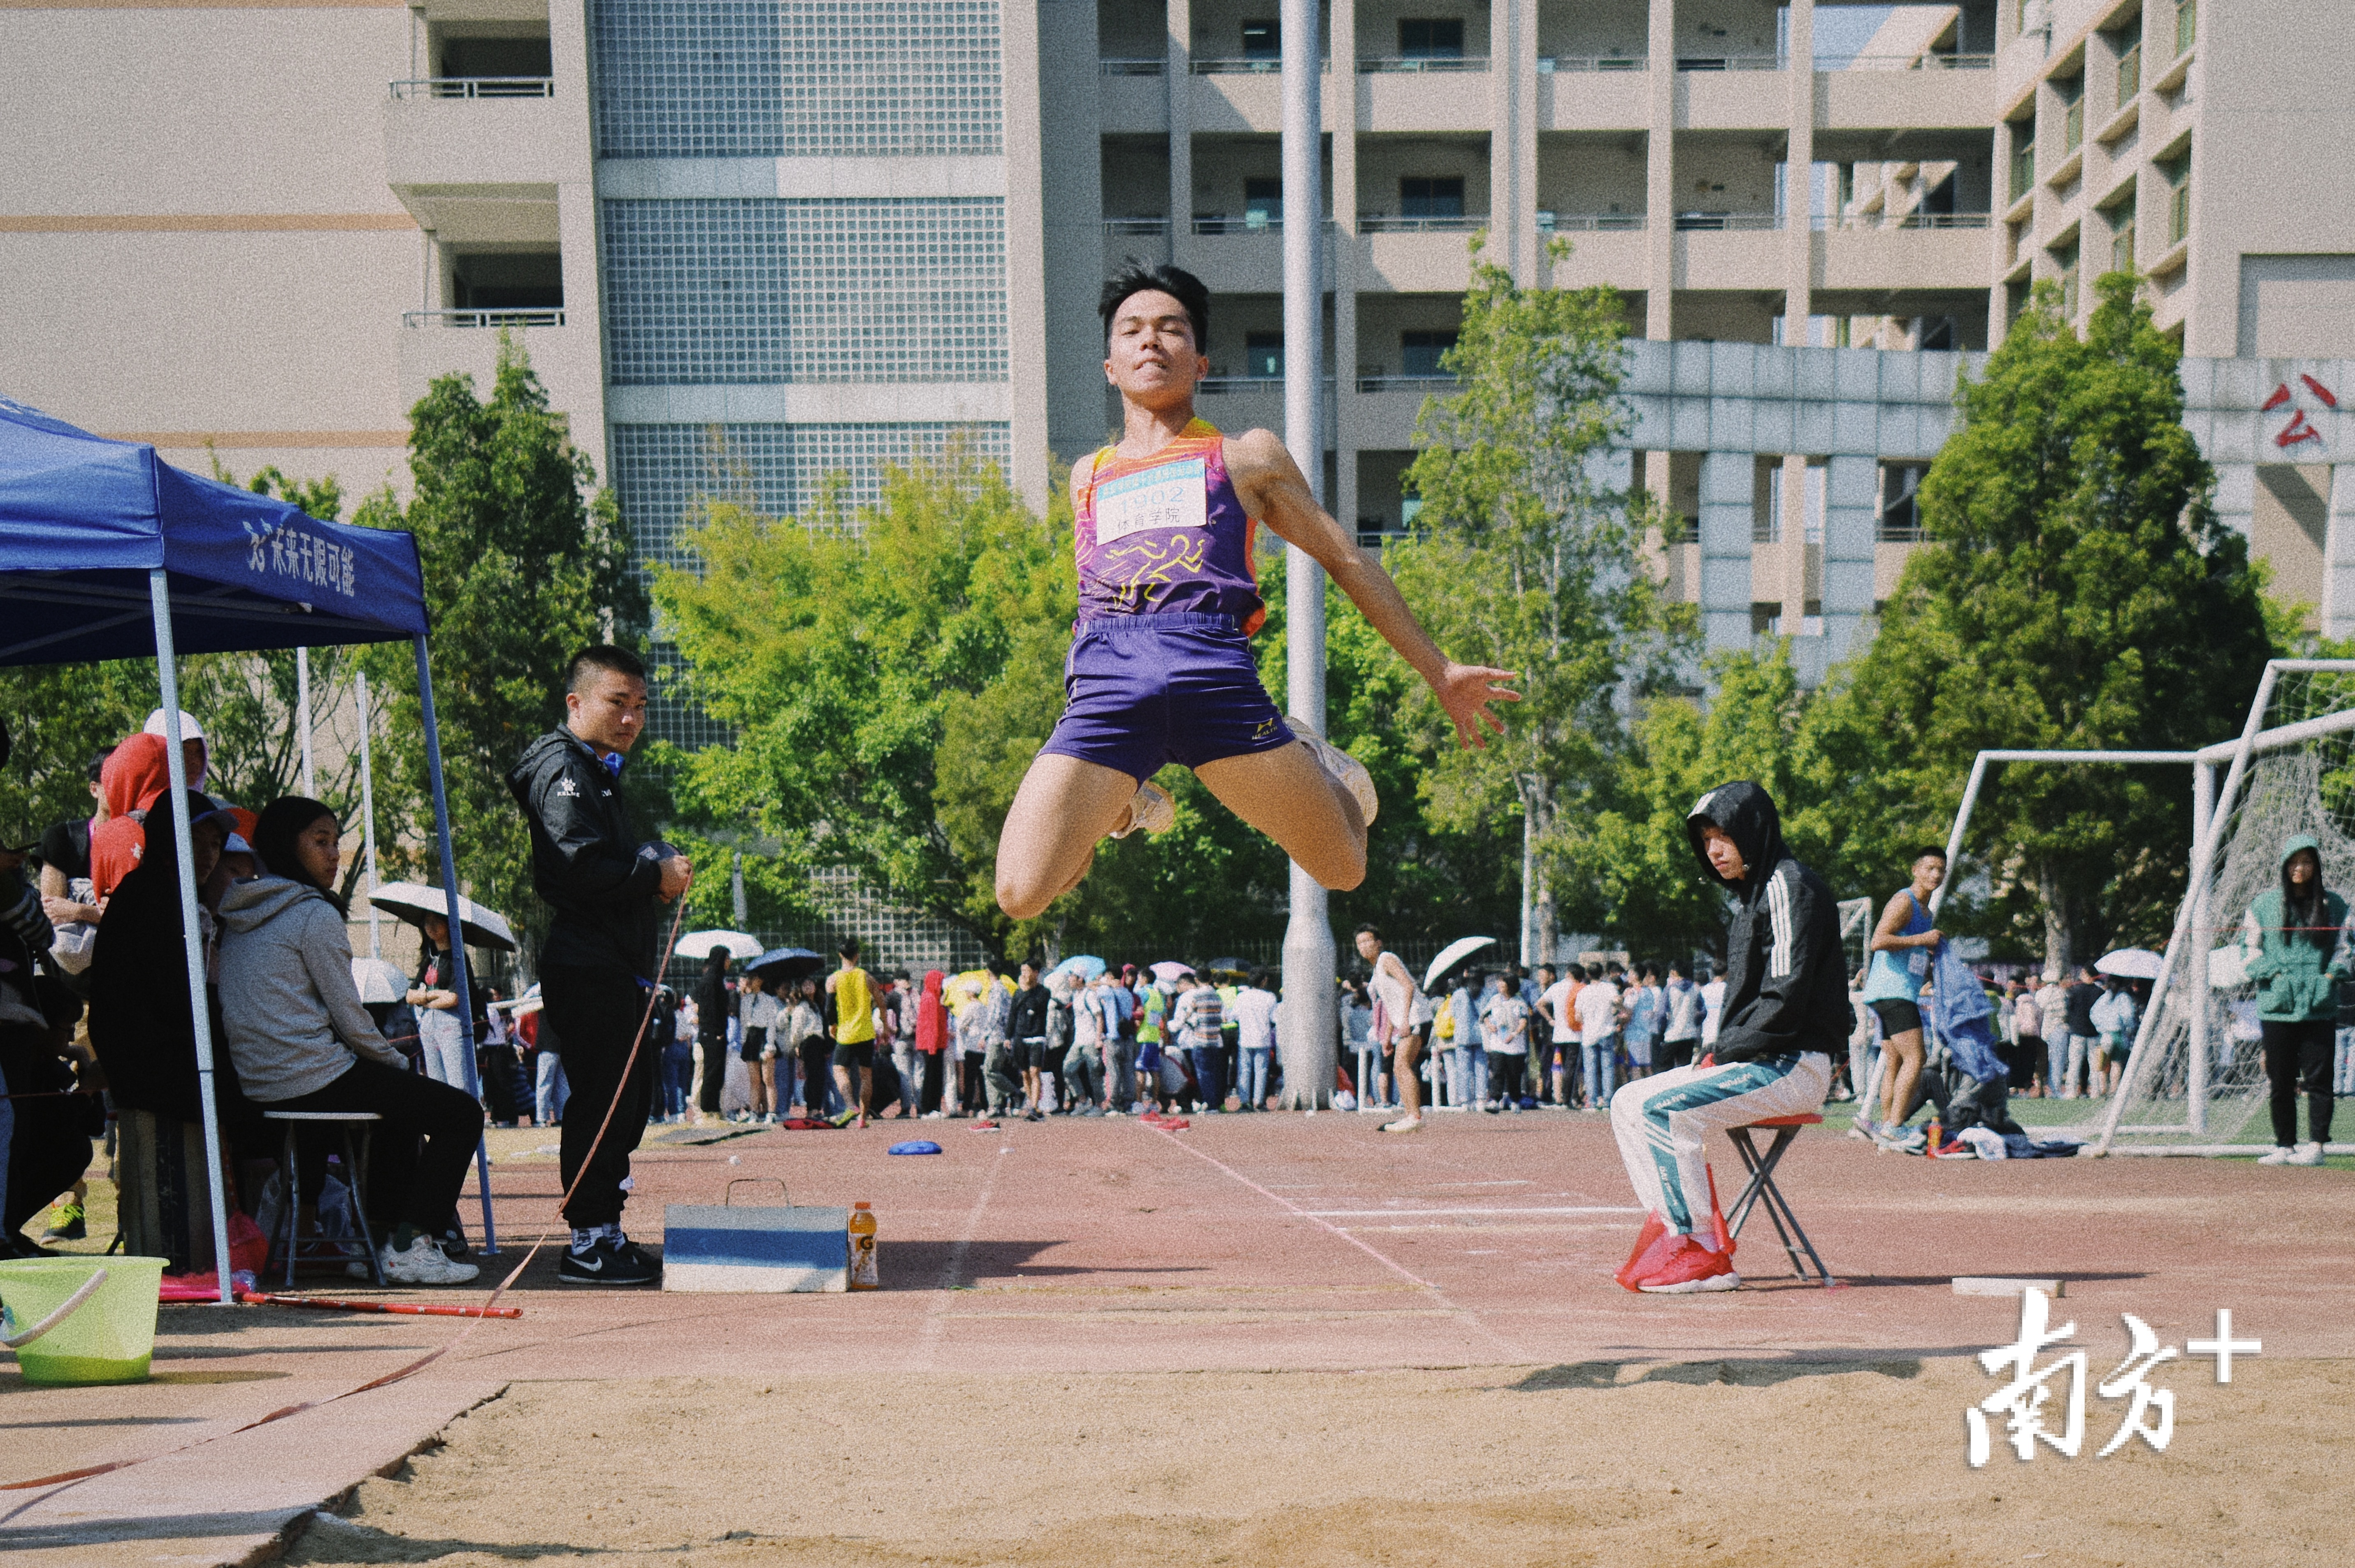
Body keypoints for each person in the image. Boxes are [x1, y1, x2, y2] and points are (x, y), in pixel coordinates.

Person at [992, 262, 1519, 924]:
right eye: (1132, 331)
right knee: (1022, 892)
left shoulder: (1245, 457)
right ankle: (1129, 803)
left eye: (1170, 329)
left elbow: (1348, 560)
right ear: (1110, 365)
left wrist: (1438, 669)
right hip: (1109, 688)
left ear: (1202, 362)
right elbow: (1091, 601)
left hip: (1213, 681)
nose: (1151, 341)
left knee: (1345, 867)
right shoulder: (1086, 477)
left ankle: (1310, 757)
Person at [217, 798, 482, 1285]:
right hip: (310, 1075)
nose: (335, 854)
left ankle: (380, 1246)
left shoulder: (236, 915)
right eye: (320, 841)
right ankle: (409, 1244)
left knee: (395, 1107)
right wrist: (397, 1065)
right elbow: (352, 1018)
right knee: (462, 1113)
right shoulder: (311, 914)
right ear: (283, 845)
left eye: (337, 842)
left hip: (260, 1081)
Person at [1609, 782, 1844, 1294]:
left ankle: (1703, 1251)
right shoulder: (1751, 896)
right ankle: (1679, 1231)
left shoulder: (1787, 884)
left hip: (1791, 1063)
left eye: (1725, 836)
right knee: (1627, 1099)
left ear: (1754, 833)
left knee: (1662, 1110)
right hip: (1762, 1057)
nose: (1714, 850)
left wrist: (1726, 1052)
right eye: (1706, 839)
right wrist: (1722, 1052)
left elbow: (1786, 994)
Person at [506, 645, 691, 1287]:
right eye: (618, 703)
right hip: (588, 961)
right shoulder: (564, 769)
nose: (631, 719)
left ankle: (605, 1231)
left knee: (628, 1101)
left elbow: (601, 859)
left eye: (640, 706)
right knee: (604, 1103)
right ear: (576, 702)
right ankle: (588, 1241)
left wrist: (652, 860)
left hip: (613, 960)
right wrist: (652, 874)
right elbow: (577, 866)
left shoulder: (597, 771)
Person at [2242, 834, 2351, 1166]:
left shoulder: (2336, 905)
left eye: (2305, 862)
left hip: (2319, 1005)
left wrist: (2330, 978)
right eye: (2293, 862)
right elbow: (2250, 952)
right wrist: (2274, 976)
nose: (2299, 868)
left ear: (2316, 866)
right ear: (2284, 866)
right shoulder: (2263, 905)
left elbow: (2346, 949)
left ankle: (2317, 1146)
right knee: (2281, 1079)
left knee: (2320, 1080)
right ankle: (2284, 1146)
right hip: (2278, 1005)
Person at [1857, 847, 1946, 1150]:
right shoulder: (1903, 901)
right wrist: (1922, 939)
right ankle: (1896, 1125)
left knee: (1894, 1058)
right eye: (1931, 868)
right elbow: (1877, 941)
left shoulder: (1927, 912)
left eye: (1941, 870)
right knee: (1917, 1057)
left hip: (1897, 991)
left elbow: (1910, 949)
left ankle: (1886, 1125)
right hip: (1891, 992)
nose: (1936, 875)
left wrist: (1927, 952)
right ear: (1916, 870)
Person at [1358, 925, 1426, 1132]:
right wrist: (1387, 1037)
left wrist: (1405, 1021)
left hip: (1417, 1018)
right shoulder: (1377, 969)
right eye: (1360, 943)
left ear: (1379, 943)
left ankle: (1414, 1116)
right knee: (1399, 1067)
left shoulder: (1387, 959)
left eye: (1368, 941)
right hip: (1405, 1021)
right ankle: (1410, 1116)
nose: (1364, 946)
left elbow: (1409, 986)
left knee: (1402, 1066)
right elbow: (1389, 1005)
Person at [408, 912, 480, 1092]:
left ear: (448, 925)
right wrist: (434, 996)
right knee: (436, 1082)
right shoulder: (429, 957)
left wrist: (424, 998)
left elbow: (454, 998)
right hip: (428, 1024)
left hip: (451, 1024)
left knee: (458, 1081)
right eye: (427, 923)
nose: (431, 927)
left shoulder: (459, 957)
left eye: (436, 922)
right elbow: (410, 996)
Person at [824, 938, 877, 1129]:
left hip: (846, 1033)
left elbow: (829, 1007)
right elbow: (881, 1001)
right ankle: (862, 1119)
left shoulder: (833, 979)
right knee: (866, 1075)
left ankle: (850, 1105)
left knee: (839, 1069)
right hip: (865, 1032)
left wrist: (832, 1025)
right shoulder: (866, 977)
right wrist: (886, 1027)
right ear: (858, 956)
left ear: (840, 955)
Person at [1173, 968, 1226, 1113]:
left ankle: (1207, 1103)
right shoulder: (1217, 996)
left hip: (1200, 1039)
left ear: (1197, 980)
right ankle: (1214, 1103)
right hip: (1215, 1039)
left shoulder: (1196, 997)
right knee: (1214, 1073)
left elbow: (1186, 1017)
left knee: (1202, 1074)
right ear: (1211, 979)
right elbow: (1225, 1017)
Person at [1479, 970, 1531, 1112]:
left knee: (1514, 1074)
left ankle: (1515, 1100)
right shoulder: (1495, 1000)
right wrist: (1489, 1025)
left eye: (1503, 983)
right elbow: (1485, 1015)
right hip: (1498, 1043)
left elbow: (1524, 1022)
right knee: (1497, 1071)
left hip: (1515, 1045)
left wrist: (1514, 1034)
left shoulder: (1519, 1002)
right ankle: (1495, 1100)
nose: (1500, 986)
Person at [1575, 964, 1622, 1110]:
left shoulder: (1584, 992)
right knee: (1607, 1067)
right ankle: (1608, 1101)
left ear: (1588, 975)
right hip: (1606, 1031)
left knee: (1590, 1069)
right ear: (1602, 974)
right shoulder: (1609, 988)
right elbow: (1618, 1001)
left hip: (1589, 1034)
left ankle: (1592, 1101)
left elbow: (1578, 1016)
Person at [1231, 968, 1278, 1111]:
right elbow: (1274, 1018)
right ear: (1263, 981)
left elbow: (1234, 1016)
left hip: (1245, 1038)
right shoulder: (1270, 997)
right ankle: (1259, 1101)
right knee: (1261, 1070)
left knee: (1244, 1070)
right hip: (1263, 1038)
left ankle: (1245, 1101)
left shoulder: (1242, 997)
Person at [693, 951, 732, 1122]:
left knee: (718, 1072)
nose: (729, 962)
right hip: (712, 1034)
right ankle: (707, 1109)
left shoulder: (718, 979)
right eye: (727, 958)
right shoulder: (711, 981)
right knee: (711, 1072)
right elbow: (710, 1009)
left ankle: (715, 1107)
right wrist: (717, 1031)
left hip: (718, 1033)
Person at [1009, 960, 1050, 1122]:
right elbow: (1013, 1015)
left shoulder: (1044, 992)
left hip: (1037, 1035)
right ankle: (1030, 1102)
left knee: (1035, 1072)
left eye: (1027, 971)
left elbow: (1036, 1005)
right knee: (1025, 1073)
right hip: (1020, 1035)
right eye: (1022, 971)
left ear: (1036, 973)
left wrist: (1027, 989)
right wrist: (1008, 1036)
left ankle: (1035, 1106)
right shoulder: (1018, 993)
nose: (1024, 975)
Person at [2089, 975, 2138, 1099]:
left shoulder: (2104, 998)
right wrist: (2129, 1029)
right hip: (2118, 1034)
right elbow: (2128, 1016)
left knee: (2103, 1063)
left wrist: (2101, 1028)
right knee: (2116, 1063)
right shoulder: (2123, 998)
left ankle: (2102, 1088)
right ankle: (2114, 1090)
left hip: (2105, 1034)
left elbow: (2093, 1014)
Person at [737, 971, 777, 1122]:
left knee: (768, 1079)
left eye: (754, 978)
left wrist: (770, 1045)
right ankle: (754, 1112)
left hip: (765, 1036)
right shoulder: (746, 1001)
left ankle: (771, 1113)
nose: (751, 981)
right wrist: (744, 1043)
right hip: (751, 1039)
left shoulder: (769, 1000)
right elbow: (744, 1024)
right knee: (754, 1080)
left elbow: (772, 1024)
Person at [2060, 964, 2103, 1100]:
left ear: (2085, 974)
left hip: (2078, 1031)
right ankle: (2095, 1091)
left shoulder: (2075, 991)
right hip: (2094, 1032)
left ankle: (2071, 1091)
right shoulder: (2100, 993)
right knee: (2094, 1064)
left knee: (2075, 1063)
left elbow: (2069, 1009)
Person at [913, 970, 950, 1117]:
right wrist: (932, 1045)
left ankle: (935, 1107)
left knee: (936, 1075)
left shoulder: (935, 997)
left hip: (936, 1042)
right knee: (931, 1076)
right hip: (931, 1043)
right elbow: (931, 1024)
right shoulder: (930, 998)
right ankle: (927, 1109)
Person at [1660, 961, 1704, 1074]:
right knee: (1684, 1069)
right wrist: (1695, 1022)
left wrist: (1662, 1029)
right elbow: (1703, 1011)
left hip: (1673, 1033)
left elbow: (1662, 1014)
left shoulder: (1670, 989)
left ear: (1674, 972)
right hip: (1690, 1033)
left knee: (1665, 1068)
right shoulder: (1695, 988)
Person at [2012, 975, 2047, 1097]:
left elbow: (2017, 1021)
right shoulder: (2035, 1004)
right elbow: (2040, 1018)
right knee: (2035, 1063)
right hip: (2035, 1035)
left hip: (2023, 1035)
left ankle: (2024, 1090)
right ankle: (2039, 1088)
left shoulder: (2019, 1005)